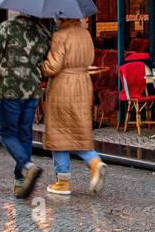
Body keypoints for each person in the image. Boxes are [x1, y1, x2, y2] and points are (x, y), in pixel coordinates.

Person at [0, 12, 52, 199]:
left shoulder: (7, 28)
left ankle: (27, 167)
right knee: (24, 133)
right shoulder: (43, 33)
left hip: (10, 90)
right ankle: (20, 180)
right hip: (32, 90)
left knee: (7, 133)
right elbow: (45, 62)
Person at [40, 17, 106, 196]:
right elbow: (90, 58)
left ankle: (63, 182)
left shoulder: (60, 35)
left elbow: (53, 66)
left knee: (59, 132)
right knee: (78, 129)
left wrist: (41, 66)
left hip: (63, 85)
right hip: (83, 83)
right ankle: (94, 161)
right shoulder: (85, 34)